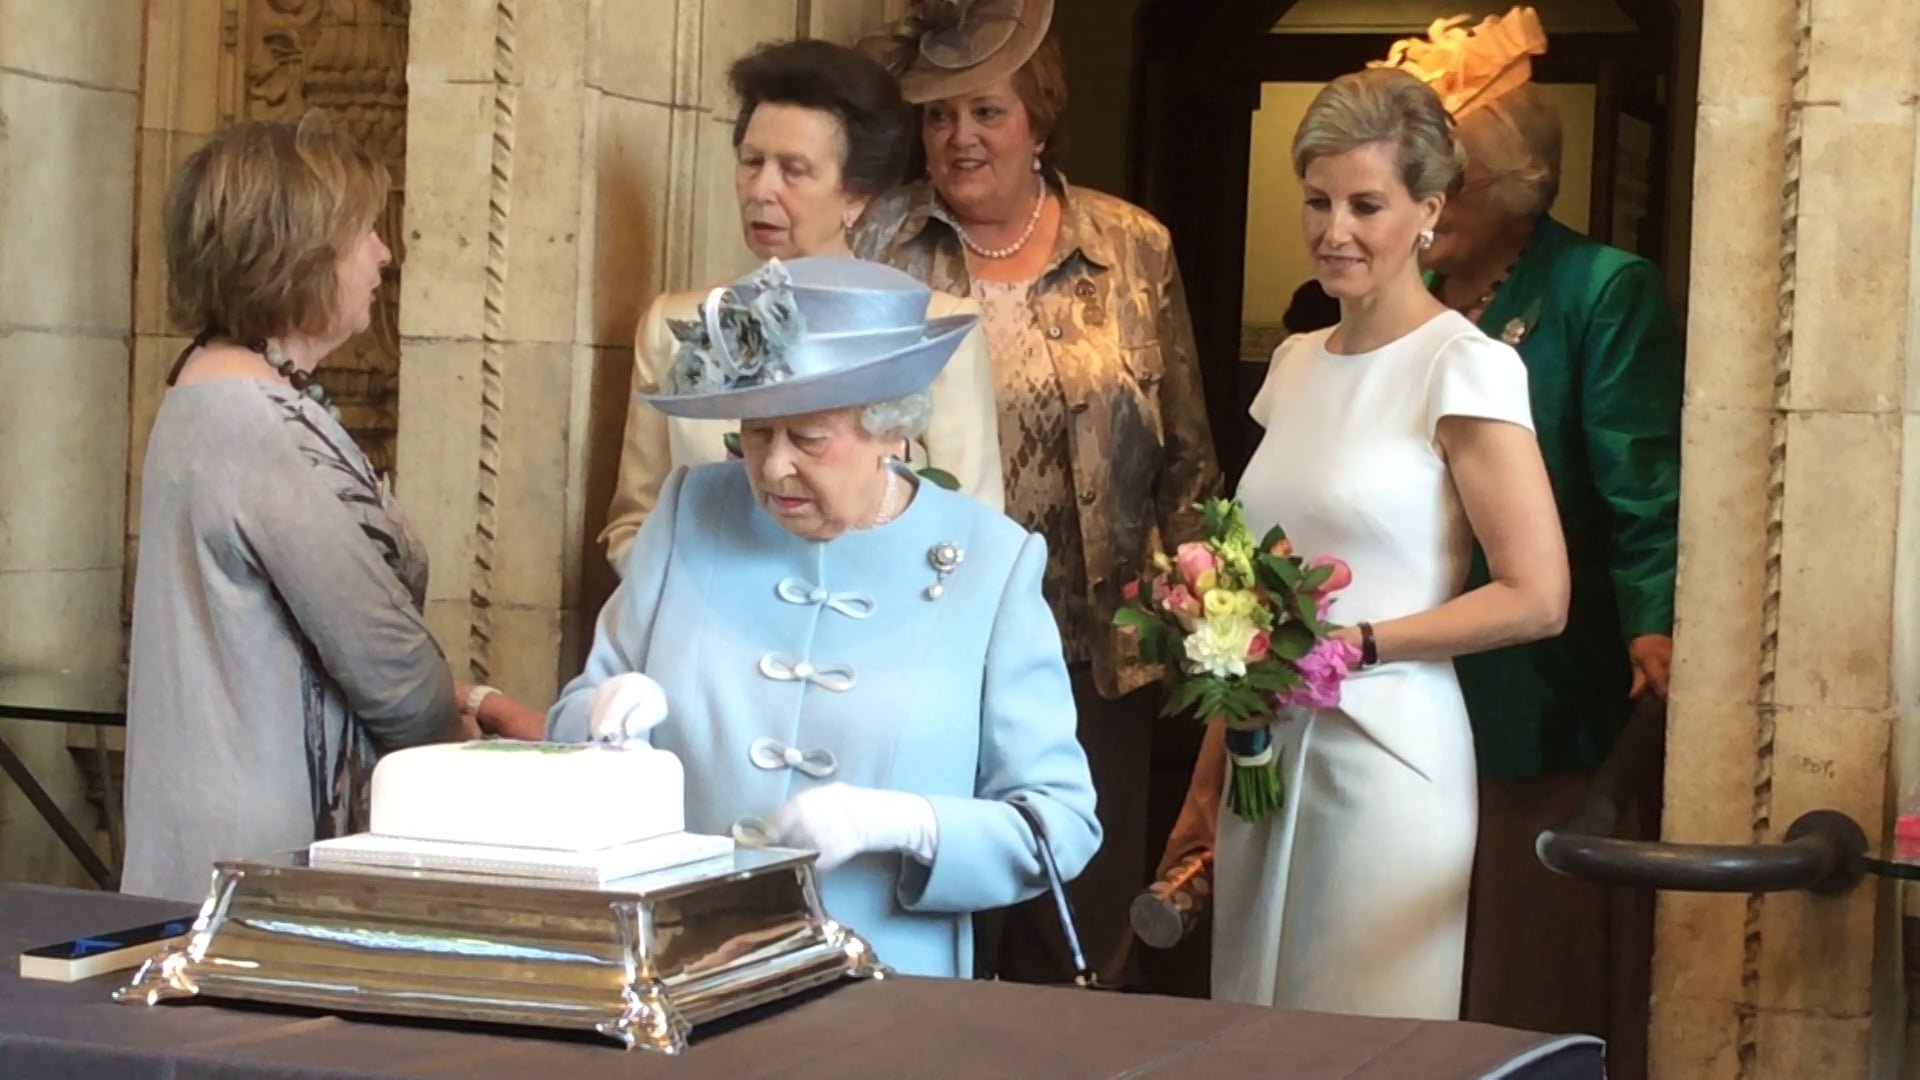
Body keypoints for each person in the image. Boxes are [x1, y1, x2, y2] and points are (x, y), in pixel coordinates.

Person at [539, 256, 1101, 979]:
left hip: (885, 1003)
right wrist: (598, 718)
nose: (774, 469)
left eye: (808, 438)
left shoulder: (992, 566)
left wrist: (907, 824)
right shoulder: (688, 513)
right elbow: (570, 722)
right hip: (682, 976)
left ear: (891, 428)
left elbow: (1059, 826)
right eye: (756, 434)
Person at [1186, 67, 1570, 1019]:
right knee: (1248, 1023)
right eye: (1317, 201)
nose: (1334, 230)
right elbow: (1249, 586)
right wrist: (1208, 773)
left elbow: (1537, 596)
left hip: (1389, 750)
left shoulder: (1467, 366)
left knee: (1362, 1039)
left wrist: (1359, 644)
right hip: (1259, 756)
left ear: (1428, 211)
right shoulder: (1292, 362)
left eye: (1366, 204)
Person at [856, 0, 1220, 985]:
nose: (960, 137)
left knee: (1079, 922)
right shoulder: (883, 243)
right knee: (943, 902)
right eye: (939, 117)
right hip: (931, 639)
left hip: (1096, 646)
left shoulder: (1132, 246)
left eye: (986, 112)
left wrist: (1213, 614)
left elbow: (1186, 451)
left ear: (1039, 118)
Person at [122, 116, 539, 904]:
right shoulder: (255, 421)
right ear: (297, 253)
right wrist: (471, 733)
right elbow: (386, 666)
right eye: (363, 232)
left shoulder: (217, 389)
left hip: (223, 825)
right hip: (266, 850)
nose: (384, 253)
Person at [1403, 11, 1681, 1070]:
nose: (1428, 215)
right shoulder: (1408, 299)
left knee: (1524, 952)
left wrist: (1654, 626)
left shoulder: (1600, 291)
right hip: (1412, 669)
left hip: (1542, 674)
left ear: (1515, 188)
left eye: (1451, 189)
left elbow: (1643, 478)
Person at [601, 39, 1002, 572]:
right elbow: (632, 525)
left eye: (793, 169)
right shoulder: (677, 326)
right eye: (751, 162)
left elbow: (973, 529)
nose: (761, 189)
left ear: (856, 195)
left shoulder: (936, 332)